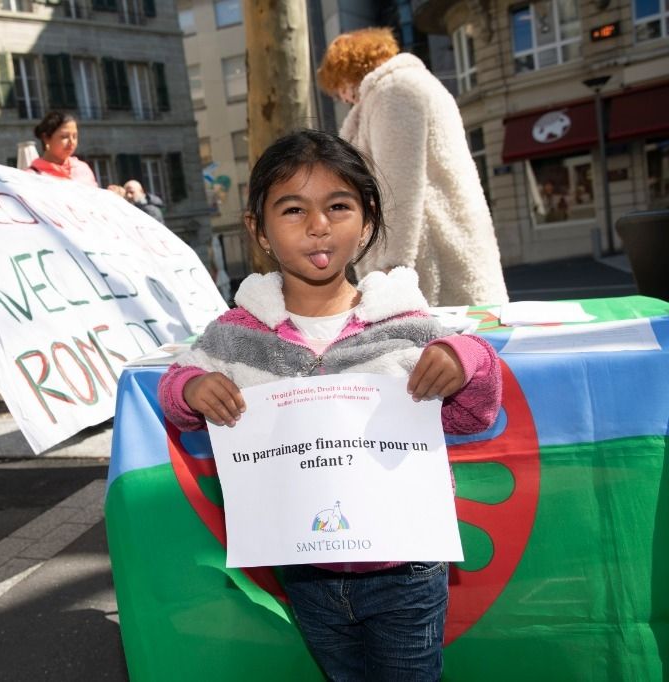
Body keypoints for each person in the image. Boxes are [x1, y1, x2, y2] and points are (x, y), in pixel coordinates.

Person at [157, 130, 502, 680]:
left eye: (338, 206)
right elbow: (177, 388)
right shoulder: (236, 335)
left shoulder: (405, 325)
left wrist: (466, 359)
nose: (318, 225)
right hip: (306, 569)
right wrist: (192, 389)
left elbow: (473, 411)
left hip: (407, 568)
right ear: (259, 229)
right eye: (293, 209)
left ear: (367, 221)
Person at [317, 27, 509, 307]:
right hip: (446, 240)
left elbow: (398, 182)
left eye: (339, 88)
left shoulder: (394, 92)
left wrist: (393, 264)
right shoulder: (411, 86)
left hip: (429, 254)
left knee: (439, 331)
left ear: (350, 70)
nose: (343, 97)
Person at [27, 111, 97, 186]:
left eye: (74, 136)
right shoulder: (32, 176)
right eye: (64, 136)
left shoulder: (82, 169)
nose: (72, 142)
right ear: (46, 138)